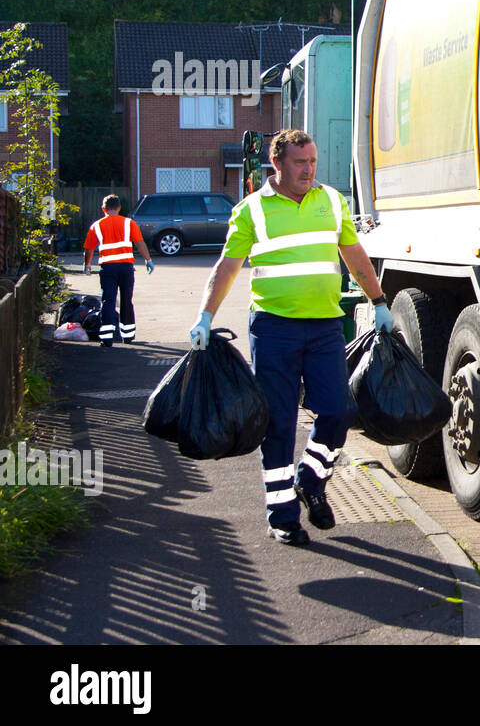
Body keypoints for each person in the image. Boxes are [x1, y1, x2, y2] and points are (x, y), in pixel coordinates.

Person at [188, 129, 394, 547]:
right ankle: (282, 516)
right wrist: (205, 316)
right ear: (277, 164)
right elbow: (227, 266)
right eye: (300, 162)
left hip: (324, 328)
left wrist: (379, 301)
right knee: (279, 422)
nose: (309, 169)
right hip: (274, 328)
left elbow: (353, 254)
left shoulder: (332, 201)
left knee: (338, 412)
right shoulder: (252, 210)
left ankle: (311, 478)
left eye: (313, 161)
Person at [83, 195, 153, 347]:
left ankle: (107, 338)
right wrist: (148, 260)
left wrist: (87, 264)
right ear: (119, 208)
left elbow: (89, 249)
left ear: (103, 209)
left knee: (108, 300)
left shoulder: (97, 225)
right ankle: (128, 336)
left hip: (107, 268)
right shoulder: (129, 223)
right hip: (126, 268)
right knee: (126, 300)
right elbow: (139, 243)